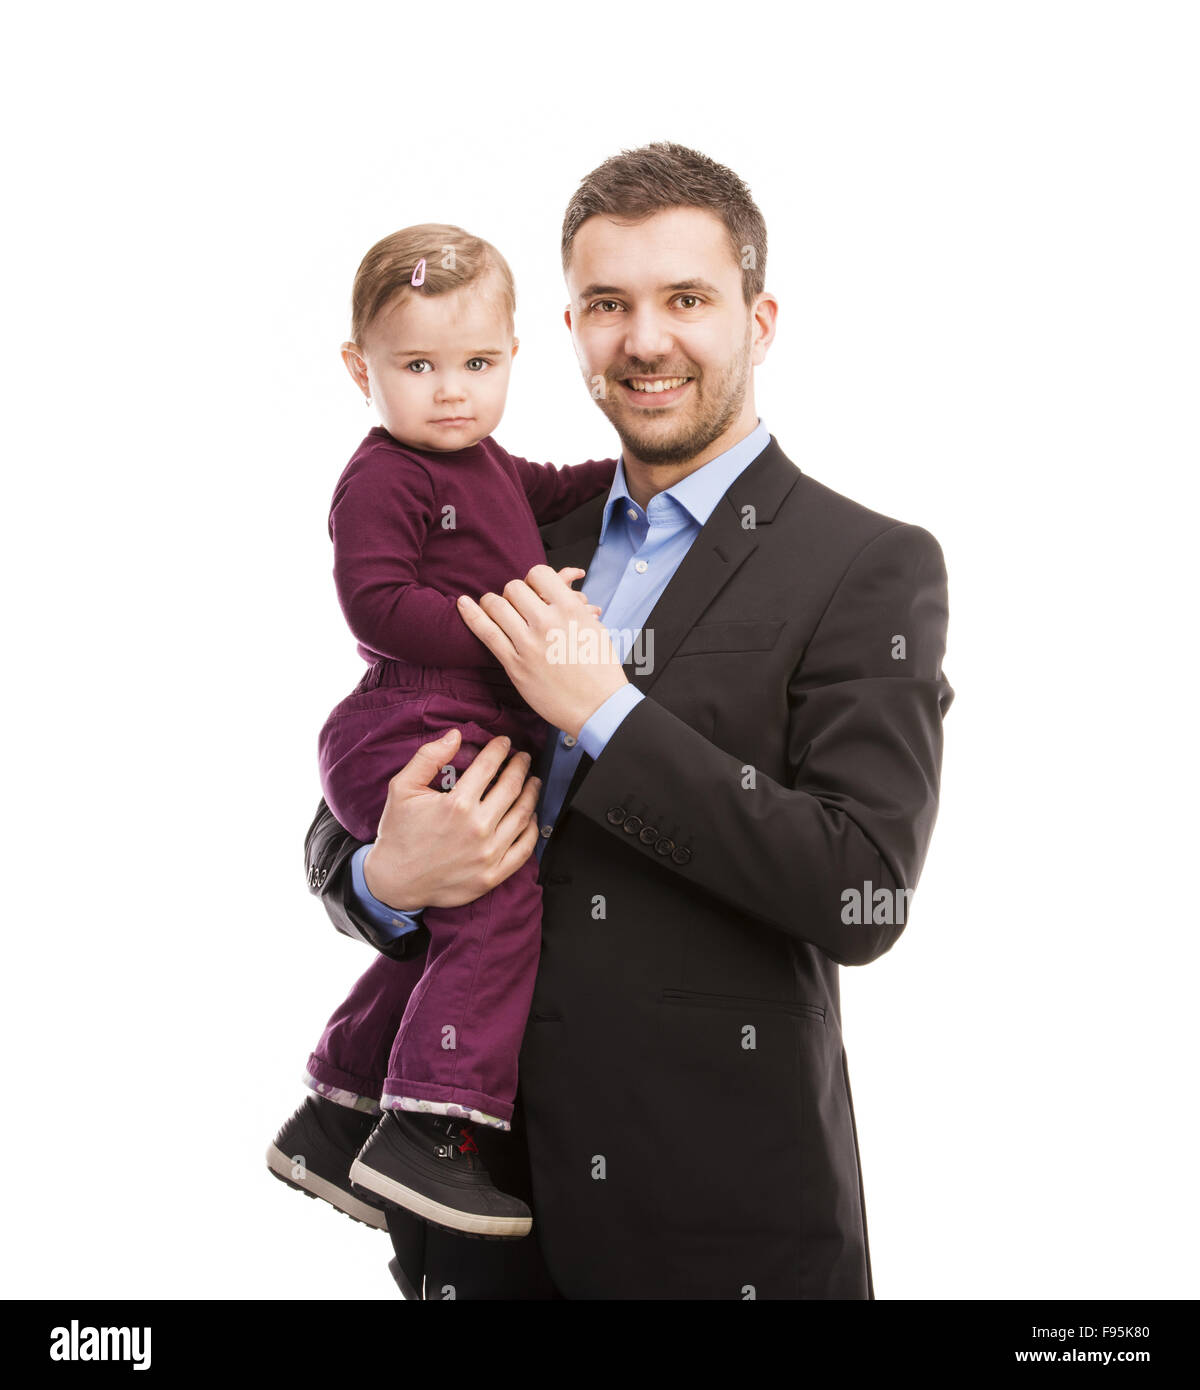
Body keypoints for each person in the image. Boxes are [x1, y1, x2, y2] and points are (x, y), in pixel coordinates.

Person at [300, 142, 954, 1299]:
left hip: (718, 1233)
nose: (645, 339)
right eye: (610, 304)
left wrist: (605, 712)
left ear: (759, 320)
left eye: (686, 299)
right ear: (568, 327)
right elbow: (359, 797)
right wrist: (385, 877)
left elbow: (866, 886)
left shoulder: (866, 566)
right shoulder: (507, 524)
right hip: (473, 1224)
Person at [265, 223, 616, 1241]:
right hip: (405, 718)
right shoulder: (383, 476)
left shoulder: (489, 463)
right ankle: (434, 1134)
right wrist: (511, 630)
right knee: (498, 903)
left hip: (457, 719)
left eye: (477, 364)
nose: (451, 390)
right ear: (357, 369)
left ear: (513, 356)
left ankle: (334, 1119)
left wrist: (633, 473)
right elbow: (374, 603)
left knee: (459, 921)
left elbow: (556, 490)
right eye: (417, 366)